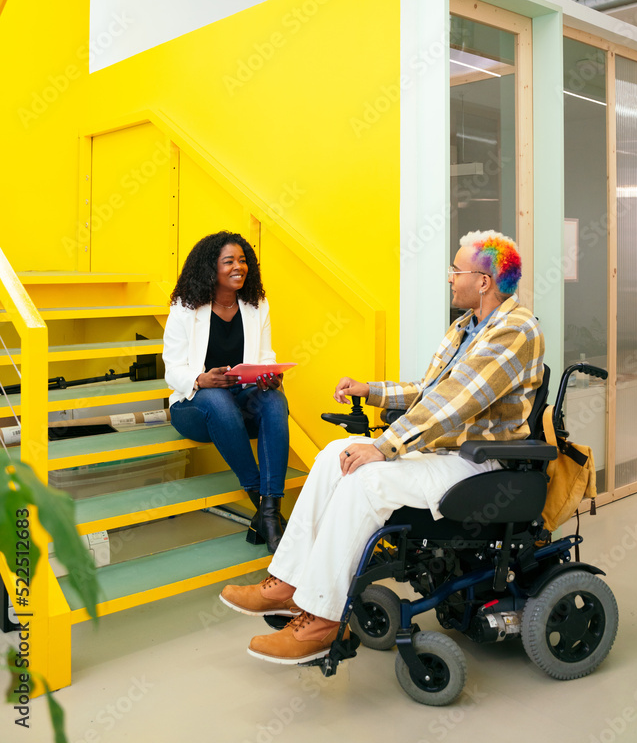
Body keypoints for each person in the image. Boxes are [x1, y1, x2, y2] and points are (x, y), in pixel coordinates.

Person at [220, 230, 545, 663]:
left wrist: (385, 446)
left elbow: (453, 403)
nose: (450, 277)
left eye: (456, 270)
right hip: (442, 452)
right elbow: (429, 392)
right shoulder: (464, 328)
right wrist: (371, 391)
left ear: (483, 281)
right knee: (334, 456)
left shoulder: (516, 330)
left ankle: (322, 621)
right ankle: (289, 584)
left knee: (365, 480)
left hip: (479, 462)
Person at [163, 231, 289, 552]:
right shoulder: (185, 308)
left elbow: (266, 357)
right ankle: (264, 505)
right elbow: (172, 369)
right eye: (229, 261)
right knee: (218, 399)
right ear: (210, 268)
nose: (239, 267)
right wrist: (201, 379)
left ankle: (268, 513)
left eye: (243, 260)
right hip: (194, 408)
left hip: (240, 405)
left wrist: (269, 376)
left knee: (275, 399)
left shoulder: (256, 305)